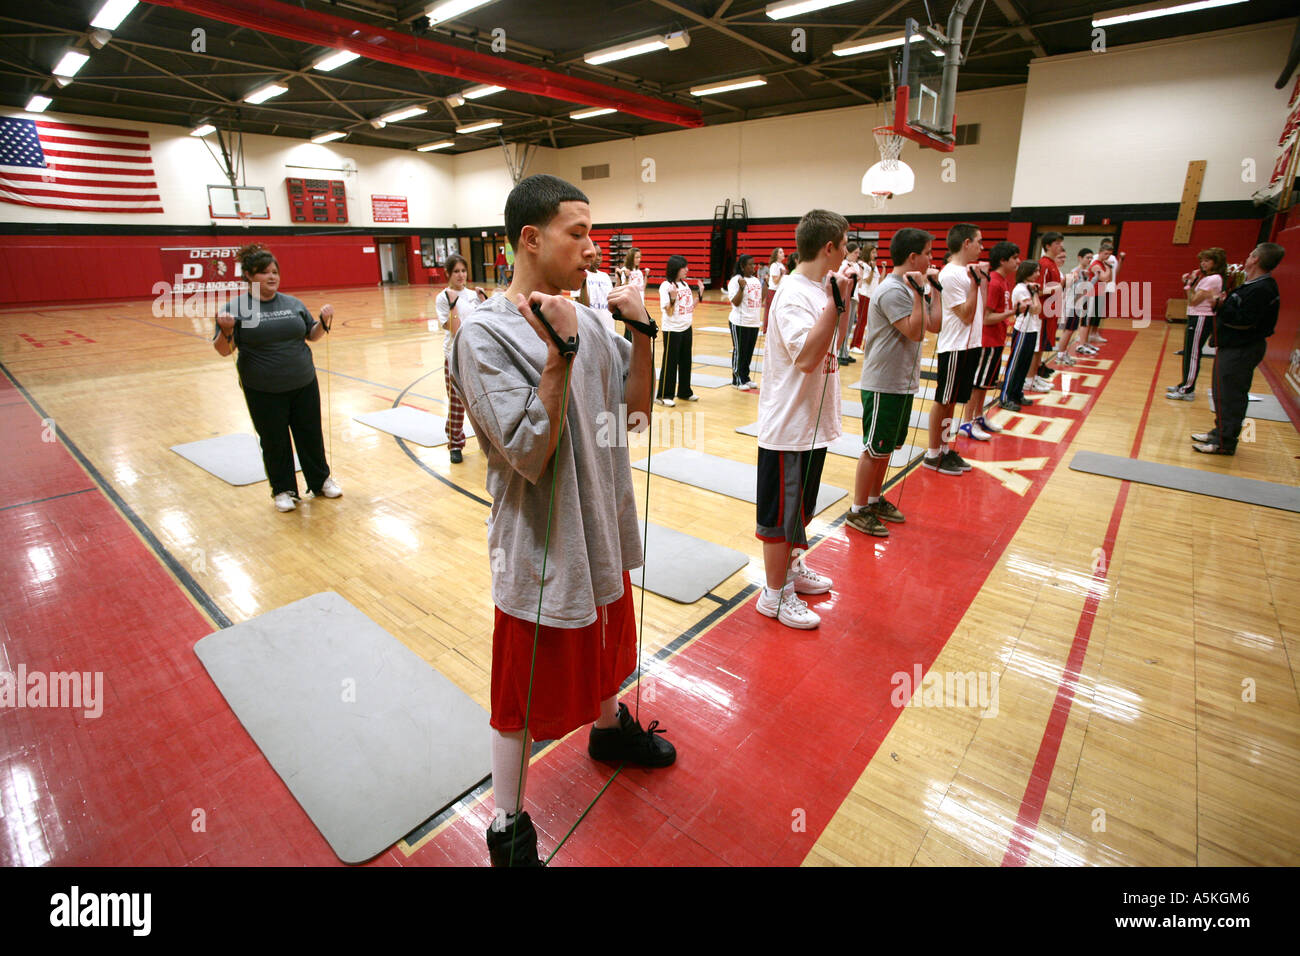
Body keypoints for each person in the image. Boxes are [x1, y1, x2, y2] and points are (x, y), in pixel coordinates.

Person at [448, 174, 672, 867]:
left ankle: (607, 732)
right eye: (578, 232)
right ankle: (506, 826)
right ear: (530, 239)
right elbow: (527, 453)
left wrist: (638, 327)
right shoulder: (482, 335)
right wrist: (560, 353)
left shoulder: (596, 318)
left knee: (608, 644)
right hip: (540, 548)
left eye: (592, 232)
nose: (591, 246)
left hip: (599, 525)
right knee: (520, 694)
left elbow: (633, 416)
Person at [755, 210, 850, 630]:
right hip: (789, 427)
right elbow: (809, 358)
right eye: (845, 244)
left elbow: (837, 341)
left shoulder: (820, 289)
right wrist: (834, 303)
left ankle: (792, 571)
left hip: (813, 424)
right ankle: (774, 595)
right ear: (828, 247)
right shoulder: (792, 293)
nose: (848, 252)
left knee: (801, 513)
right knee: (780, 518)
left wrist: (842, 302)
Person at [213, 243, 341, 512]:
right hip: (262, 388)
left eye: (275, 272)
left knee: (310, 434)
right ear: (249, 275)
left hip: (303, 383)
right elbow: (224, 350)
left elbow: (312, 335)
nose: (271, 277)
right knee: (274, 440)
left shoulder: (293, 303)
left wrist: (323, 322)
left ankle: (320, 481)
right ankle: (283, 489)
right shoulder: (235, 308)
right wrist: (226, 329)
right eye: (264, 273)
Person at [844, 227, 942, 537]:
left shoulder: (913, 287)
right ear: (913, 257)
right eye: (927, 253)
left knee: (887, 448)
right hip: (883, 382)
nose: (931, 259)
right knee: (874, 449)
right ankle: (858, 509)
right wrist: (918, 293)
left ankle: (874, 499)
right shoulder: (893, 291)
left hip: (902, 382)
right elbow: (915, 331)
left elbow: (935, 324)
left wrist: (934, 290)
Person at [1192, 242, 1286, 455]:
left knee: (1231, 396)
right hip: (1232, 347)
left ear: (1256, 260)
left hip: (1242, 349)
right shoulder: (1253, 285)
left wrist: (1219, 305)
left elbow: (1244, 321)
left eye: (1251, 254)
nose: (1247, 257)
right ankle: (1219, 432)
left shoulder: (1263, 288)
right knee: (1221, 392)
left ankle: (1224, 442)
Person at [926, 223, 985, 476]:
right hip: (955, 347)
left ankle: (944, 447)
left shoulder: (966, 273)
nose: (982, 247)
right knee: (944, 400)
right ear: (966, 243)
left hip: (969, 346)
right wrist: (976, 284)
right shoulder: (951, 274)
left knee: (952, 403)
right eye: (979, 242)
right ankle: (932, 453)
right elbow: (966, 315)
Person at [962, 240, 1019, 441]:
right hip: (987, 341)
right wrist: (1013, 312)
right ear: (1002, 260)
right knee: (977, 384)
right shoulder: (994, 282)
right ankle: (967, 422)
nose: (1018, 262)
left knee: (986, 384)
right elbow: (986, 318)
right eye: (1014, 258)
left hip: (997, 340)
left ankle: (978, 417)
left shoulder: (1003, 281)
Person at [434, 253, 487, 463]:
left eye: (463, 271)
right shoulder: (443, 297)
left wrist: (484, 301)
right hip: (454, 355)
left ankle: (487, 441)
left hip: (475, 354)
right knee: (456, 402)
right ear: (448, 273)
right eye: (456, 271)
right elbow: (453, 329)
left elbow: (485, 322)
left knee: (482, 400)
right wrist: (454, 305)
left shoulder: (474, 295)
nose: (460, 275)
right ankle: (455, 444)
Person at [1167, 247, 1226, 401]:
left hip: (1202, 317)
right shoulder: (1206, 278)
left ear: (1216, 262)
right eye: (1202, 260)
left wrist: (1188, 285)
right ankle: (1184, 384)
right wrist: (1191, 283)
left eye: (1207, 261)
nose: (1203, 264)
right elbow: (1195, 297)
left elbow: (1193, 300)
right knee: (1188, 351)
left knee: (1193, 353)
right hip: (1195, 316)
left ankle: (1188, 389)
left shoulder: (1213, 279)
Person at [657, 254, 703, 406]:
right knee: (670, 362)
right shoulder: (666, 286)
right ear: (676, 269)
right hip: (672, 330)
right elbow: (669, 311)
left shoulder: (685, 285)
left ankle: (684, 391)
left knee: (685, 361)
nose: (687, 270)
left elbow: (689, 307)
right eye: (684, 267)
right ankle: (663, 395)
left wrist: (700, 295)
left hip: (686, 327)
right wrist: (672, 297)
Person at [1001, 260, 1043, 412]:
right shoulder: (1020, 289)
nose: (1038, 274)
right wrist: (1035, 294)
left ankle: (1017, 393)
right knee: (1015, 365)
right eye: (1035, 271)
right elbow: (1035, 309)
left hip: (1031, 330)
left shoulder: (1029, 288)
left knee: (1025, 364)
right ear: (1027, 272)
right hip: (1022, 331)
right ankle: (1005, 397)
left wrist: (1034, 293)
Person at [727, 254, 763, 390]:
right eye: (750, 264)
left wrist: (766, 285)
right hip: (739, 322)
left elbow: (761, 299)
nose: (753, 267)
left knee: (748, 352)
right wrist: (741, 288)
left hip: (753, 322)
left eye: (754, 264)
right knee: (739, 351)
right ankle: (736, 380)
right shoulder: (736, 280)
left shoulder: (756, 280)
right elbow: (735, 302)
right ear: (742, 266)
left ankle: (745, 377)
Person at [850, 242, 882, 353]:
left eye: (876, 252)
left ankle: (864, 345)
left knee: (869, 322)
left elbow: (880, 281)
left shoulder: (874, 266)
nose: (875, 254)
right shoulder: (863, 265)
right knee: (861, 321)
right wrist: (872, 270)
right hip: (864, 294)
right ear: (868, 252)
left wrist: (882, 268)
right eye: (873, 252)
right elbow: (867, 281)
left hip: (872, 296)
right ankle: (855, 345)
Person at [836, 242, 863, 365]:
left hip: (854, 297)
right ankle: (840, 353)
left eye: (858, 253)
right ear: (849, 252)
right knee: (843, 327)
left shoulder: (856, 266)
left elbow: (860, 281)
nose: (857, 255)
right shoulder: (842, 264)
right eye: (855, 253)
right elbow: (840, 279)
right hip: (846, 297)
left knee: (850, 326)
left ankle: (845, 352)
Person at [578, 243, 614, 333]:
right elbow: (583, 307)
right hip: (591, 330)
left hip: (608, 328)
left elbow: (612, 302)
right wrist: (584, 284)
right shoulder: (580, 275)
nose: (598, 258)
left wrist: (619, 281)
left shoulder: (605, 276)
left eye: (600, 255)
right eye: (595, 255)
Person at [761, 246, 785, 334]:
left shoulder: (781, 265)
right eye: (781, 252)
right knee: (770, 310)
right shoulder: (774, 265)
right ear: (776, 255)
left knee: (778, 311)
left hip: (779, 291)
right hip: (773, 291)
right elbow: (775, 281)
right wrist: (782, 274)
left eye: (783, 252)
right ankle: (766, 329)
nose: (783, 254)